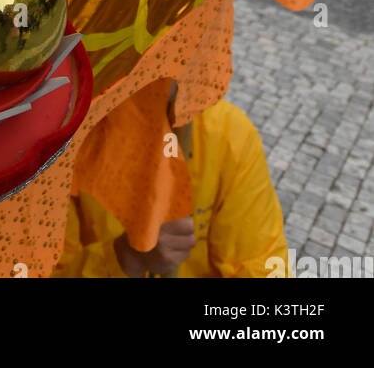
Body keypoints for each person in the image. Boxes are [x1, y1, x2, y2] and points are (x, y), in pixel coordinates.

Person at [53, 100, 288, 278]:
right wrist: (125, 259)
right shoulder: (65, 146)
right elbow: (49, 269)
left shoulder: (229, 135)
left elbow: (262, 262)